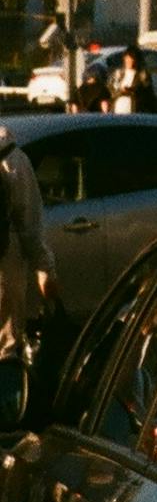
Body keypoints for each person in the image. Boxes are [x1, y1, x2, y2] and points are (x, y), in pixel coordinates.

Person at [0, 124, 56, 379]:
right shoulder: (12, 157)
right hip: (5, 267)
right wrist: (44, 268)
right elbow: (30, 223)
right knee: (7, 350)